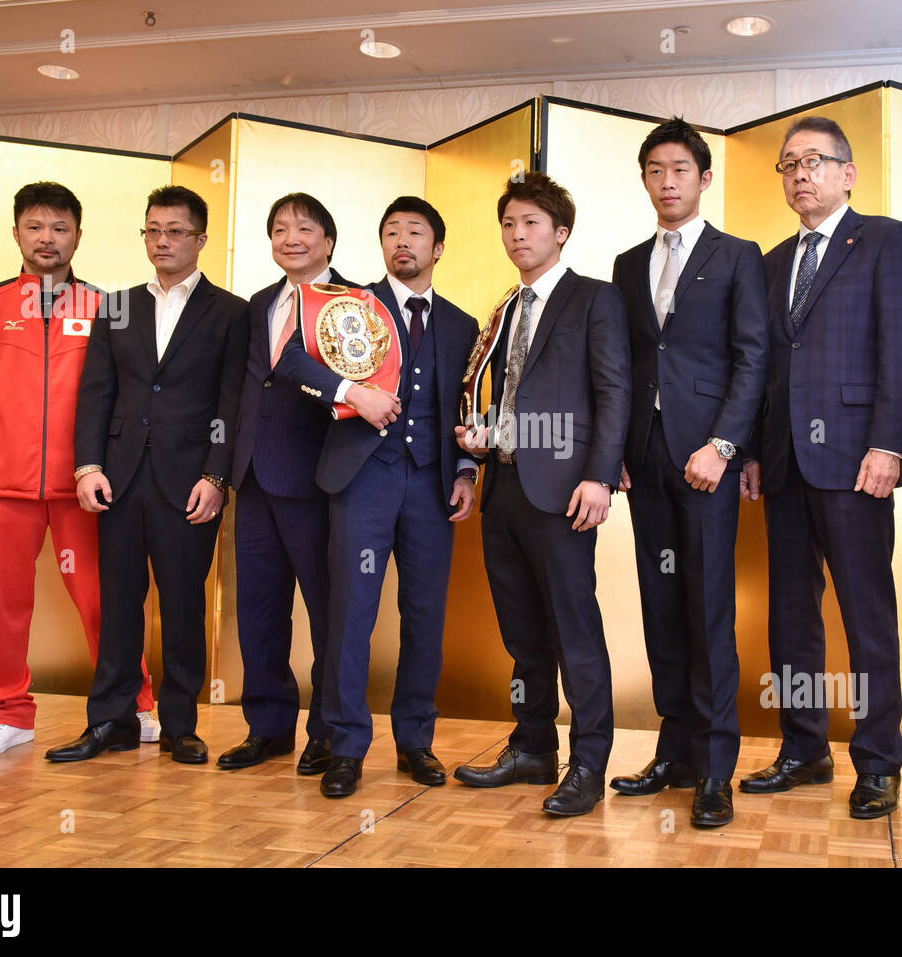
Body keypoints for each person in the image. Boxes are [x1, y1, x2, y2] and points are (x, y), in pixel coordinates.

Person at [740, 117, 902, 820]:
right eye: (788, 164)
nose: (799, 173)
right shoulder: (771, 260)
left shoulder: (885, 239)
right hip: (785, 463)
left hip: (857, 461)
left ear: (848, 173)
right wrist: (754, 449)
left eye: (814, 160)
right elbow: (760, 369)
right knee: (792, 617)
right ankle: (804, 748)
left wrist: (890, 443)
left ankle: (878, 761)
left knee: (865, 616)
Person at [0, 181, 157, 758]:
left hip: (84, 484)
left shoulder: (109, 307)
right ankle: (8, 714)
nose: (47, 238)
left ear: (78, 237)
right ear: (16, 233)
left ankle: (134, 704)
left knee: (104, 597)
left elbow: (132, 388)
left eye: (60, 228)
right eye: (35, 226)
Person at [46, 185, 249, 765]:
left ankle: (180, 723)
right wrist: (87, 465)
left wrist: (217, 476)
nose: (162, 241)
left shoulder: (232, 312)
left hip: (189, 483)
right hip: (120, 477)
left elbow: (230, 403)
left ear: (200, 239)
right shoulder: (117, 305)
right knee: (117, 605)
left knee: (184, 605)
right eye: (152, 230)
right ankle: (111, 720)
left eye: (176, 231)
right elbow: (96, 393)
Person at [452, 171, 630, 817]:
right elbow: (508, 395)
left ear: (560, 231)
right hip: (501, 483)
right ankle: (532, 746)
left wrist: (601, 474)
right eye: (508, 223)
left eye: (530, 223)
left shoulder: (594, 298)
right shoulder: (504, 309)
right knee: (523, 633)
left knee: (574, 629)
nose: (517, 234)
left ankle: (589, 761)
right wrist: (477, 442)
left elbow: (614, 390)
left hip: (563, 490)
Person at [610, 118, 769, 827]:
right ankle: (672, 750)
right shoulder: (625, 263)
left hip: (707, 460)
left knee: (708, 612)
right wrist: (612, 446)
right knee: (661, 606)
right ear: (644, 180)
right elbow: (619, 368)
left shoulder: (739, 256)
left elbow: (752, 357)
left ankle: (715, 768)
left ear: (705, 179)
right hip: (643, 460)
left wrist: (725, 444)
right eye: (654, 170)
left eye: (680, 169)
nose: (666, 181)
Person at [304, 196, 478, 798]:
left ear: (438, 247)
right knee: (352, 613)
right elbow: (294, 361)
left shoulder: (461, 324)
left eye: (415, 232)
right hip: (364, 478)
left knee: (425, 616)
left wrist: (464, 471)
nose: (402, 241)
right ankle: (347, 746)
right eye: (391, 232)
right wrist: (353, 388)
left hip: (431, 486)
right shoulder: (350, 307)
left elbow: (465, 407)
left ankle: (415, 741)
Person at [216, 193, 370, 774]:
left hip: (318, 480)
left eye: (304, 229)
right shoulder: (258, 304)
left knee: (330, 612)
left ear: (328, 241)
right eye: (279, 229)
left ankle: (329, 730)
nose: (291, 238)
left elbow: (361, 385)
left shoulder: (354, 302)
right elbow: (245, 388)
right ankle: (268, 726)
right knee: (259, 609)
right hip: (253, 477)